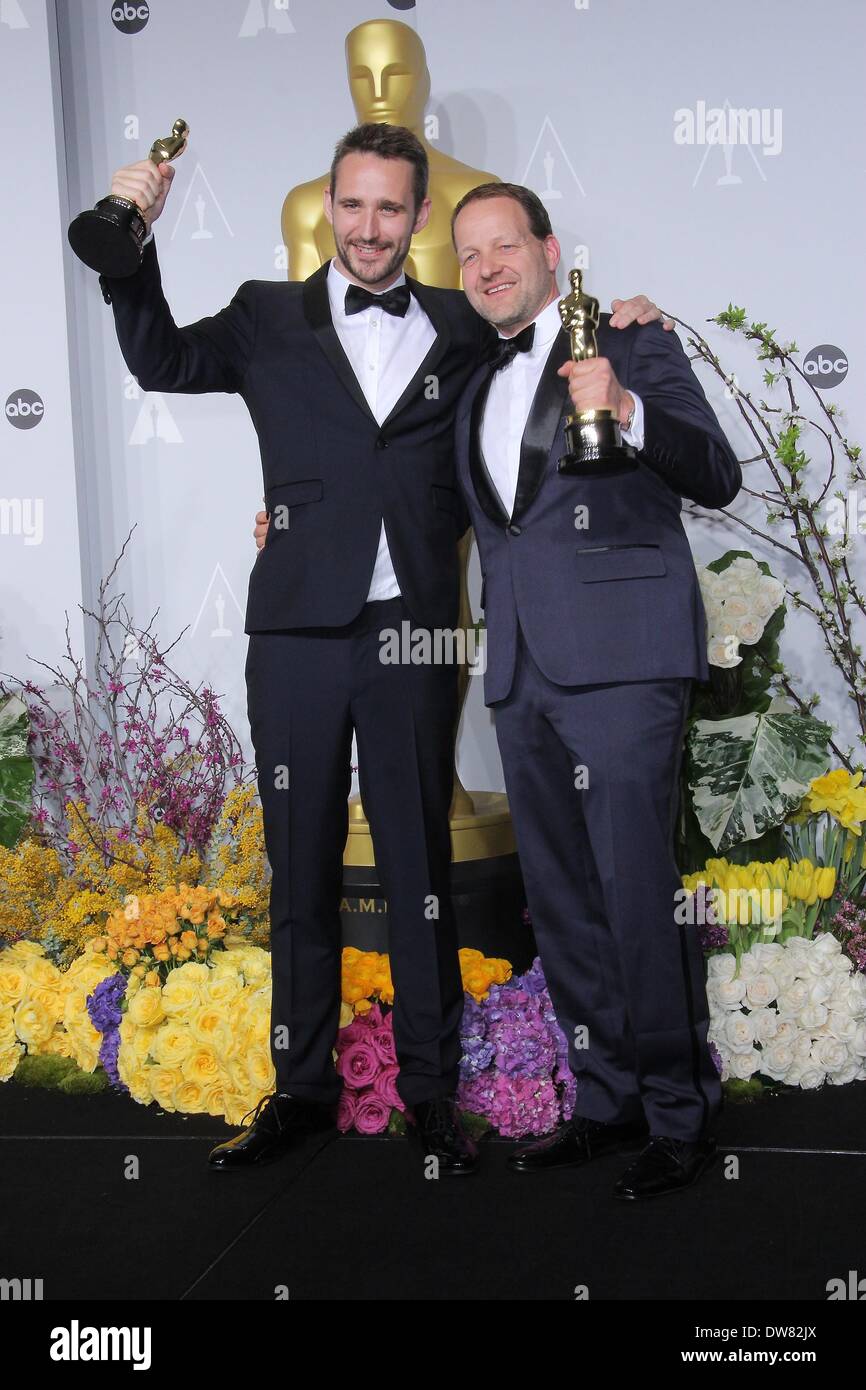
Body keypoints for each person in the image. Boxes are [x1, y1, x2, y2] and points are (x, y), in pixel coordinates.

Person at [100, 125, 666, 1176]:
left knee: (419, 866)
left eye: (391, 210)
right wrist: (133, 243)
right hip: (298, 633)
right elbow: (160, 356)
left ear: (416, 219)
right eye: (352, 207)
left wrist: (626, 318)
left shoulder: (463, 323)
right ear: (329, 205)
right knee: (299, 865)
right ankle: (299, 1091)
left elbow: (551, 350)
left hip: (415, 630)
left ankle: (432, 1092)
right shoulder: (265, 315)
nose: (369, 229)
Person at [451, 182, 741, 1199]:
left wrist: (620, 405)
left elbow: (713, 471)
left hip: (622, 659)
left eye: (503, 246)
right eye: (468, 256)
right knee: (565, 905)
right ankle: (605, 1100)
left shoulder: (625, 337)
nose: (487, 266)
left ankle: (675, 1114)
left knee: (628, 892)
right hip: (523, 673)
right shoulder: (469, 381)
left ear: (546, 248)